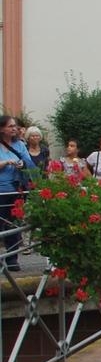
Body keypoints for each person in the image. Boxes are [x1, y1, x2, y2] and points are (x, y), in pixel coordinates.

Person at [0, 115, 34, 271]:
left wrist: (22, 164)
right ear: (1, 129)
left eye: (15, 126)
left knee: (13, 225)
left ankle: (12, 258)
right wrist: (5, 163)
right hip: (1, 190)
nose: (14, 129)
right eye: (10, 126)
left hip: (15, 190)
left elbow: (31, 165)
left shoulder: (19, 145)